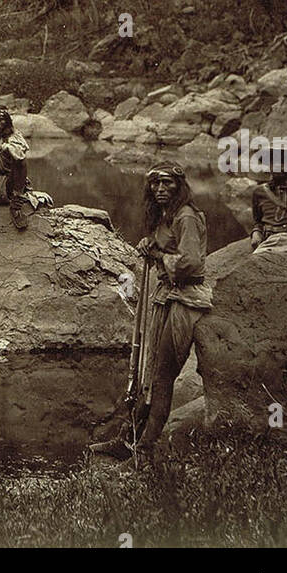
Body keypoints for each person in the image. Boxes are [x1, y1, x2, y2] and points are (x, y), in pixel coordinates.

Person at [91, 163, 212, 460]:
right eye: (156, 184)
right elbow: (164, 249)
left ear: (179, 186)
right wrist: (150, 244)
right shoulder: (165, 215)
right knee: (144, 372)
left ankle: (145, 448)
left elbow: (191, 264)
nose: (160, 189)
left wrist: (158, 254)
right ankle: (128, 439)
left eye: (167, 183)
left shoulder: (186, 217)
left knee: (161, 376)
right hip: (164, 296)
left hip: (186, 300)